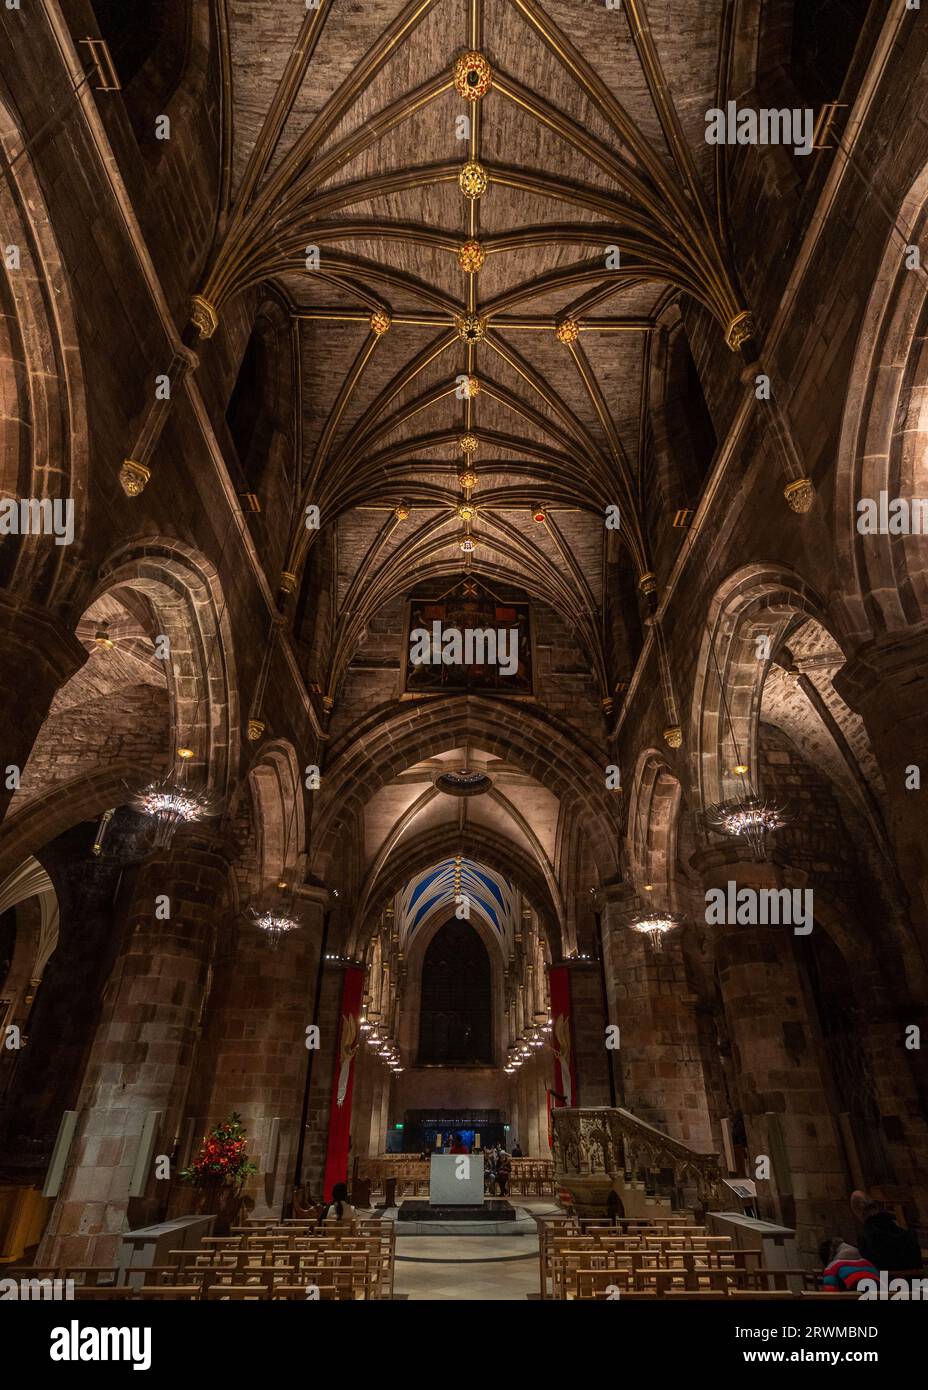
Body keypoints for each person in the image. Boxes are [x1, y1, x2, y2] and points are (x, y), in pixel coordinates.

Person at [850, 1190, 922, 1271]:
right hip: (914, 1281)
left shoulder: (866, 1236)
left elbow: (870, 1270)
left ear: (859, 1212)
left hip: (885, 1281)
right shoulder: (903, 1232)